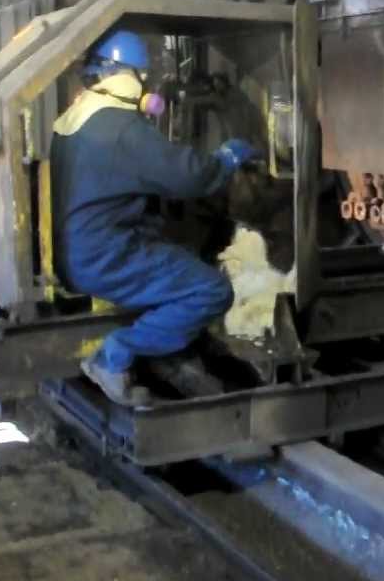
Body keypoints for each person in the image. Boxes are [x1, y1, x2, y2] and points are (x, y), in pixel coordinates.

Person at [51, 29, 258, 405]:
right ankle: (114, 356)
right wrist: (226, 158)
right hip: (104, 257)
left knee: (179, 252)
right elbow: (190, 177)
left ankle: (177, 349)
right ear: (132, 77)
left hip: (75, 251)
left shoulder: (76, 117)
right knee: (210, 289)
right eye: (144, 77)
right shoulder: (121, 127)